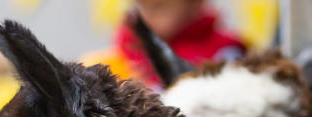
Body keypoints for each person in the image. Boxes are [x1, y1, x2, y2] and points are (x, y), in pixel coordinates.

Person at [81, 0, 247, 89]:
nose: (147, 16)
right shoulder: (112, 62)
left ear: (196, 4)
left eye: (160, 7)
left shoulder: (225, 53)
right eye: (142, 6)